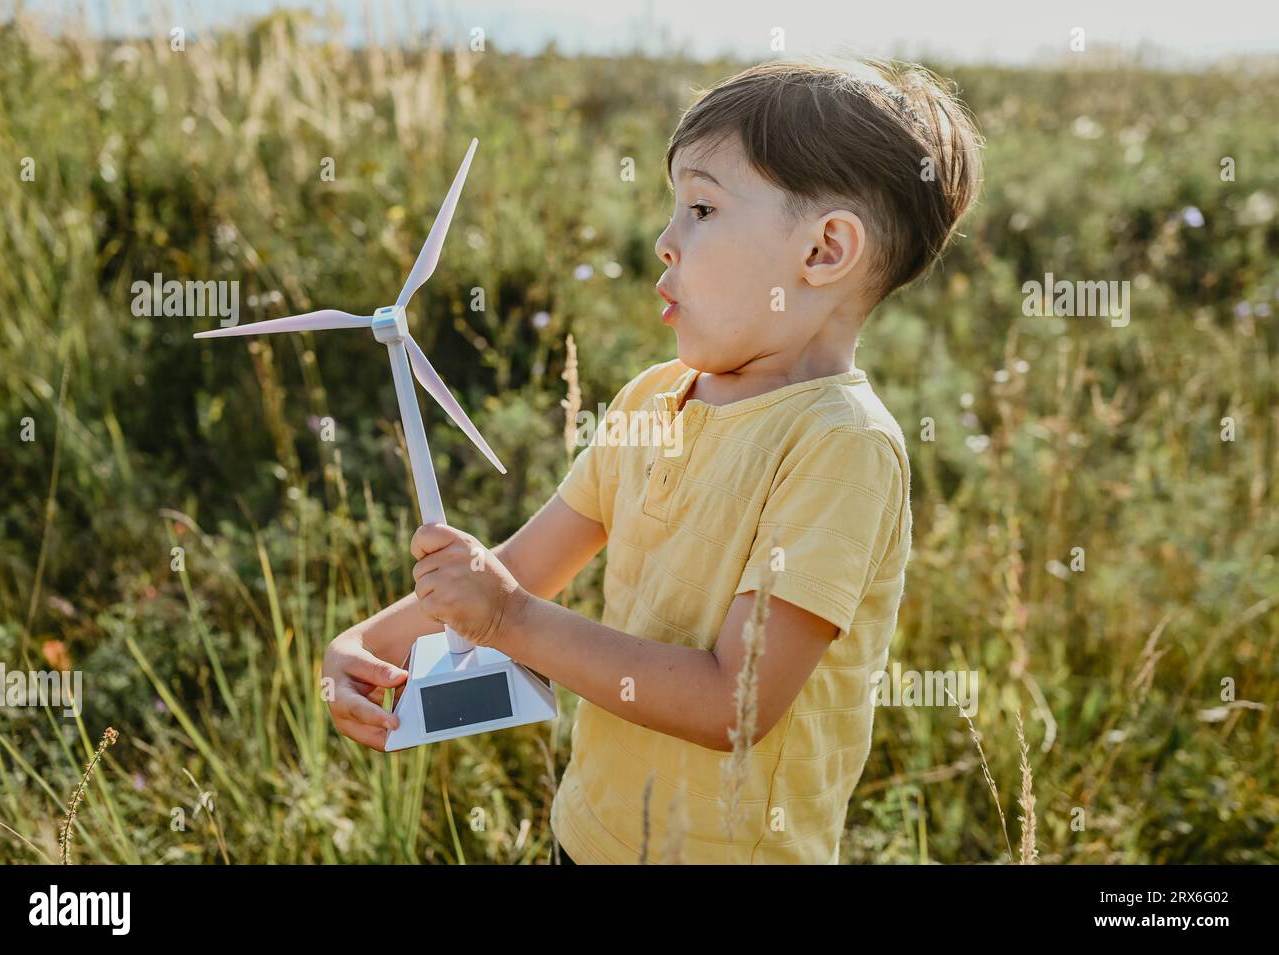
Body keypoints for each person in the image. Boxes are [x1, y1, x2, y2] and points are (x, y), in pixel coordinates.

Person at [324, 56, 983, 864]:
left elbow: (730, 703)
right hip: (590, 832)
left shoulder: (840, 447)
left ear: (824, 251)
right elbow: (522, 568)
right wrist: (374, 642)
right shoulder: (650, 400)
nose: (666, 242)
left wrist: (509, 621)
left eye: (702, 207)